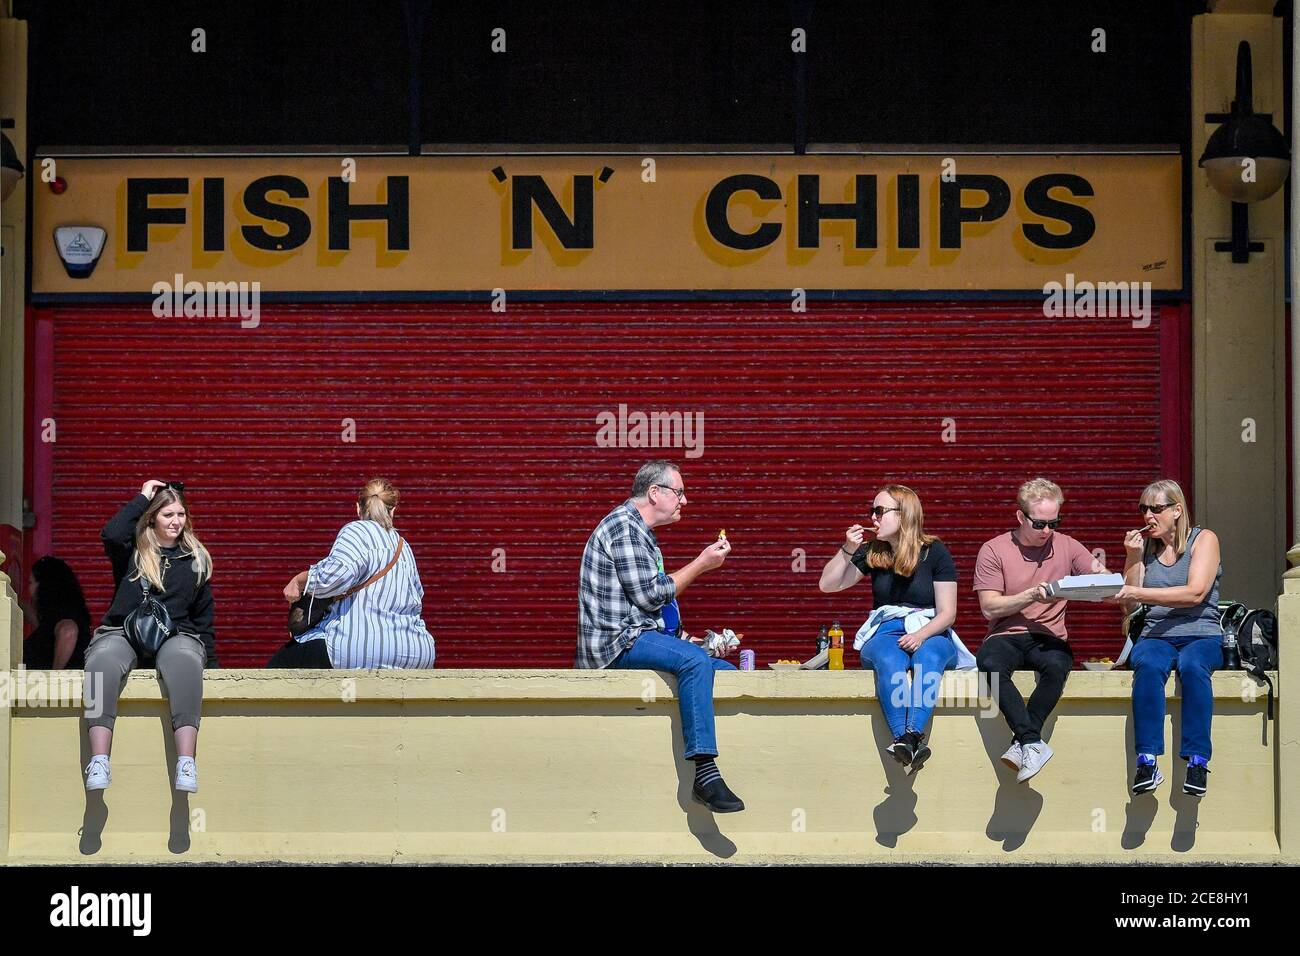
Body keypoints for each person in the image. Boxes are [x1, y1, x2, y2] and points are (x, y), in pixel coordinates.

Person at [576, 459, 742, 812]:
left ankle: (734, 767)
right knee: (696, 662)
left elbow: (655, 617)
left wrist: (700, 642)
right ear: (655, 492)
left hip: (637, 635)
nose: (685, 501)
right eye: (680, 492)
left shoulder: (642, 534)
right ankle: (705, 774)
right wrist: (701, 564)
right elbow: (651, 595)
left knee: (724, 672)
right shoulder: (624, 528)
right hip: (615, 644)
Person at [819, 484, 976, 769]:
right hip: (885, 630)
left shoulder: (934, 552)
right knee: (889, 659)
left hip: (930, 627)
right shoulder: (872, 552)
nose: (873, 518)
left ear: (904, 515)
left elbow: (948, 612)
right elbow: (828, 585)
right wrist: (847, 550)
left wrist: (920, 635)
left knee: (929, 657)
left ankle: (912, 735)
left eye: (880, 511)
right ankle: (905, 739)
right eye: (872, 511)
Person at [83, 480, 215, 793]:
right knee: (101, 661)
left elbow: (204, 619)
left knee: (184, 661)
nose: (176, 521)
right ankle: (99, 759)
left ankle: (186, 762)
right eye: (168, 514)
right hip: (123, 631)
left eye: (181, 514)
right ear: (153, 517)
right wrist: (143, 497)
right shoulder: (132, 549)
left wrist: (214, 667)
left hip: (176, 635)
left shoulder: (195, 560)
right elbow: (111, 533)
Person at [973, 478, 1106, 782]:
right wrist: (1031, 595)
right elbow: (989, 607)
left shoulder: (1067, 545)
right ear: (1020, 517)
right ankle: (1032, 740)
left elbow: (1104, 583)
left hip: (1048, 636)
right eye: (1039, 523)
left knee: (1058, 665)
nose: (1047, 530)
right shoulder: (994, 549)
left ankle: (1025, 742)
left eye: (1054, 522)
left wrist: (1089, 582)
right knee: (990, 663)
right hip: (1006, 633)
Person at [1109, 479, 1222, 796]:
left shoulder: (1204, 540)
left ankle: (1197, 761)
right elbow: (1129, 604)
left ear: (1177, 510)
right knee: (1147, 664)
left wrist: (1139, 591)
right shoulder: (1147, 550)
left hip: (1200, 633)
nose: (1147, 516)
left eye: (1156, 509)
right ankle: (1147, 759)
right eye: (1143, 508)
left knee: (1193, 666)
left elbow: (1196, 593)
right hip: (1155, 635)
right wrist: (1132, 558)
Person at [271, 478, 435, 669]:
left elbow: (336, 576)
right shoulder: (404, 547)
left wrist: (299, 581)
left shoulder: (356, 531)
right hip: (414, 652)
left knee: (275, 671)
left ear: (358, 509)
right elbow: (417, 599)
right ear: (393, 510)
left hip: (358, 650)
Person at [23, 556, 92, 669]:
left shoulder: (64, 618)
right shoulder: (60, 617)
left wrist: (55, 676)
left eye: (31, 582)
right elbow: (40, 622)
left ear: (42, 586)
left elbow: (68, 631)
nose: (29, 589)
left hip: (54, 684)